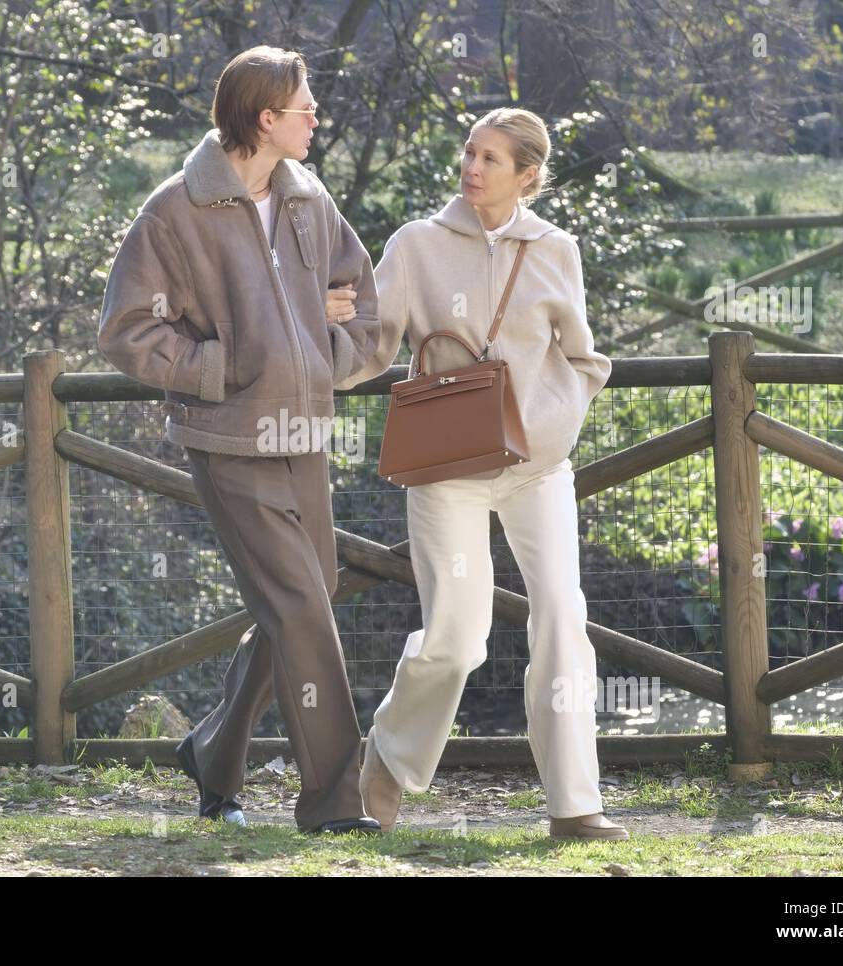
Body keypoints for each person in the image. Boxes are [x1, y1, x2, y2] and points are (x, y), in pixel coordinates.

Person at [97, 46, 382, 835]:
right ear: (265, 118)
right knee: (298, 608)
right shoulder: (176, 210)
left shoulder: (307, 199)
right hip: (230, 440)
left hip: (306, 434)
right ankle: (333, 803)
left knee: (305, 602)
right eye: (304, 108)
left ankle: (216, 753)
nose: (316, 119)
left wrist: (330, 354)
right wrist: (218, 368)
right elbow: (126, 331)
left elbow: (363, 302)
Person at [330, 107, 628, 840]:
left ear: (527, 176)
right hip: (445, 465)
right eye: (470, 151)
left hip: (537, 470)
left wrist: (549, 429)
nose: (472, 167)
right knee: (459, 636)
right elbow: (371, 347)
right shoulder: (417, 244)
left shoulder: (557, 249)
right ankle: (387, 760)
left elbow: (585, 359)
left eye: (492, 159)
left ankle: (574, 804)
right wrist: (321, 331)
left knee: (563, 615)